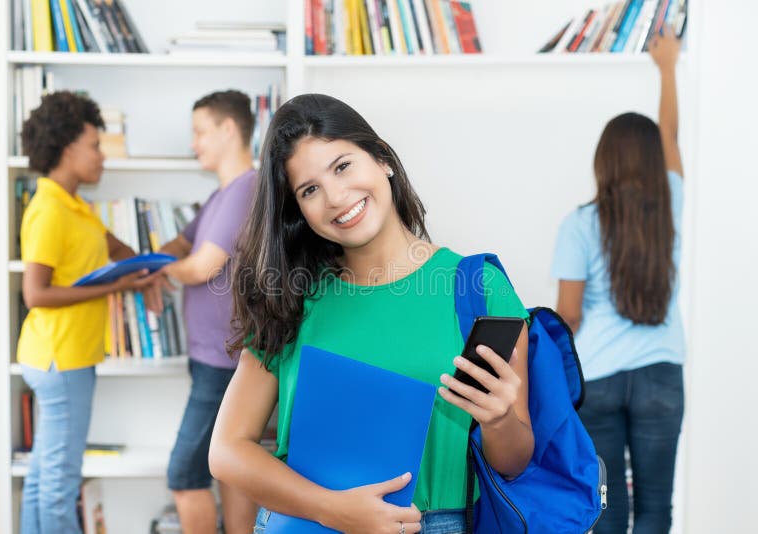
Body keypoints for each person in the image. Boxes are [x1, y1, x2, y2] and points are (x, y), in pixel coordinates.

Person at [208, 93, 535, 534]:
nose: (337, 197)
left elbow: (514, 463)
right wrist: (330, 509)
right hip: (306, 524)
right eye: (309, 190)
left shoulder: (476, 286)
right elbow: (227, 450)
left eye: (342, 166)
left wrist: (497, 419)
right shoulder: (291, 296)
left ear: (382, 158)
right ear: (298, 211)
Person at [551, 32, 684, 534]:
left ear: (603, 161)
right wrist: (667, 69)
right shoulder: (671, 203)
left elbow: (568, 316)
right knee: (655, 508)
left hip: (599, 376)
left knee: (606, 511)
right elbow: (668, 137)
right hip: (661, 376)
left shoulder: (580, 224)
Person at [18, 91, 156, 534]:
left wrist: (147, 269)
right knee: (58, 487)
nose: (102, 157)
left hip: (63, 357)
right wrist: (117, 285)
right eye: (95, 145)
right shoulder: (49, 210)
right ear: (66, 147)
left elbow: (116, 248)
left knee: (43, 479)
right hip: (61, 359)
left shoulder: (76, 207)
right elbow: (35, 294)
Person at [157, 90, 259, 534]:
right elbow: (181, 244)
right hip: (211, 357)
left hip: (224, 361)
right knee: (230, 466)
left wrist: (157, 269)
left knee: (185, 472)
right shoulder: (220, 196)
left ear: (229, 129)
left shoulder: (246, 189)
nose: (194, 143)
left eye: (200, 132)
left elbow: (201, 266)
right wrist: (157, 262)